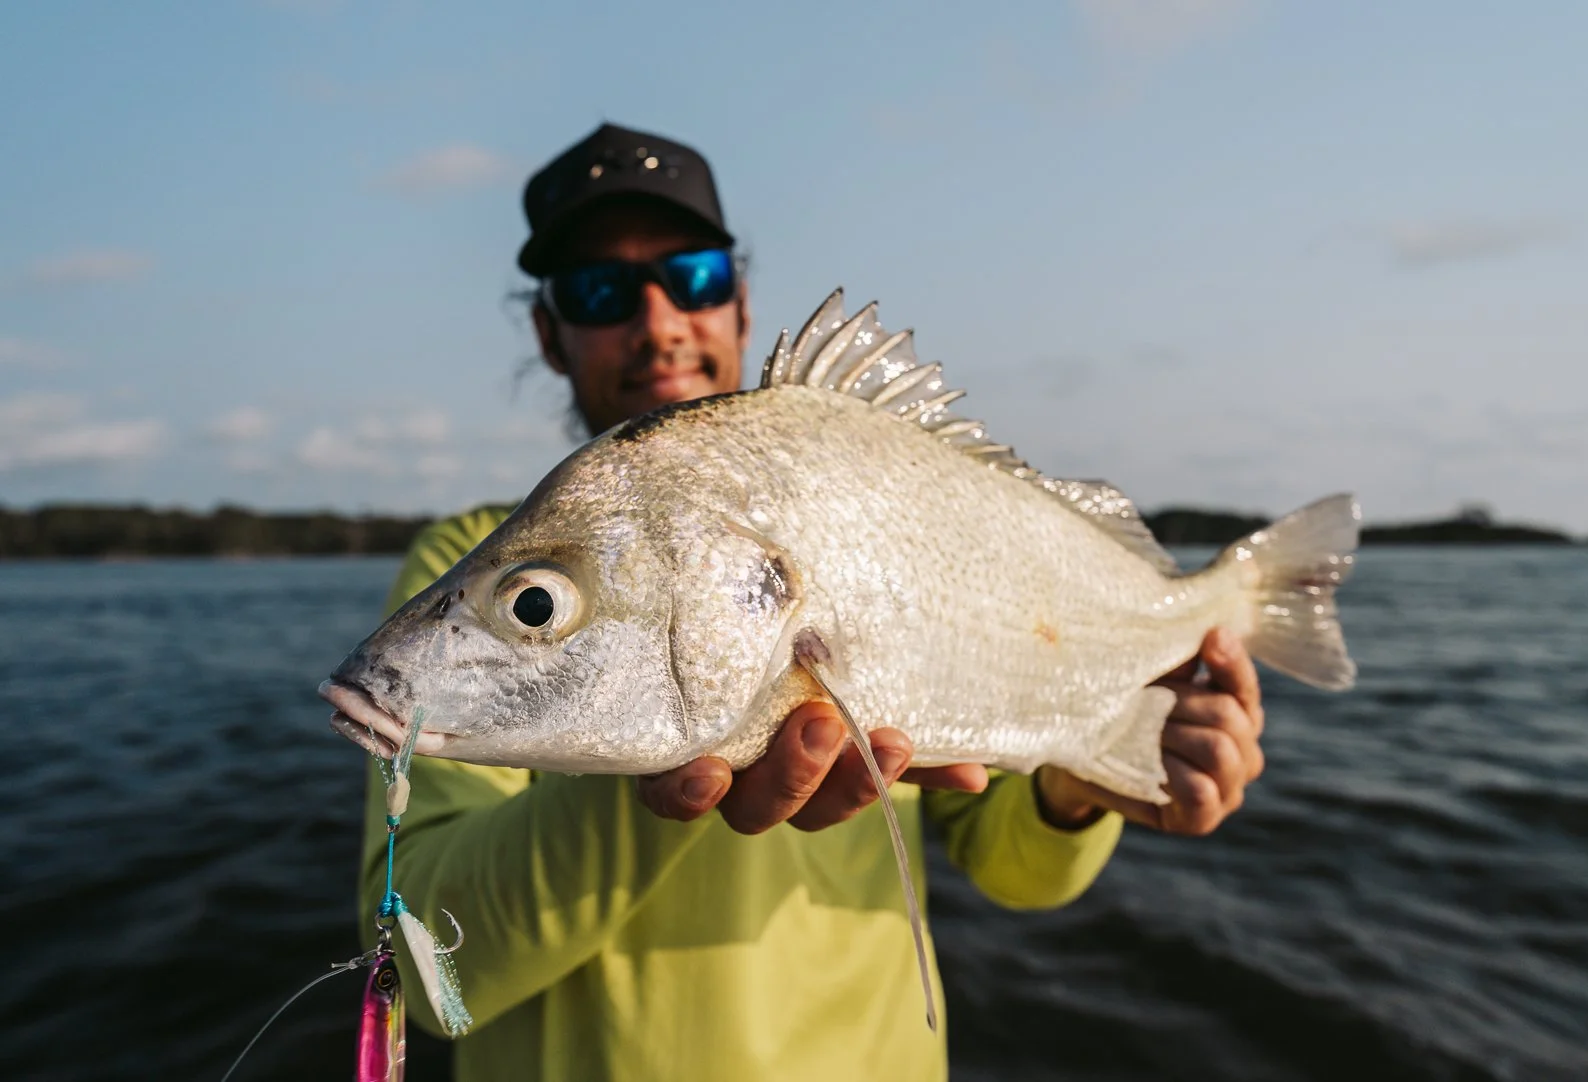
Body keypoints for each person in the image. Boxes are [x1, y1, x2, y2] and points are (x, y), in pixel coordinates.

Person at [351, 122, 1268, 1082]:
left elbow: (1009, 865)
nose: (659, 322)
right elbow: (423, 976)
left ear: (740, 303)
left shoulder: (855, 493)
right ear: (549, 332)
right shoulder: (460, 558)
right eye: (599, 290)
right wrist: (656, 787)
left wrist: (1081, 789)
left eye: (693, 277)